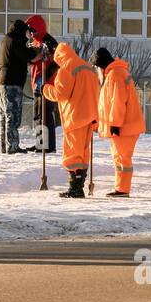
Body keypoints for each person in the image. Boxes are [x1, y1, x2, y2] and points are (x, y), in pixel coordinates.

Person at [41, 42, 99, 198]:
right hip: (90, 116)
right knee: (83, 153)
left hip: (75, 116)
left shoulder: (67, 67)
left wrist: (45, 89)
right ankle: (79, 184)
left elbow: (61, 94)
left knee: (72, 153)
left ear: (59, 56)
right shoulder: (87, 67)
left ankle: (75, 188)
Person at [94, 48, 144, 198]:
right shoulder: (117, 72)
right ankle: (121, 188)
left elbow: (118, 101)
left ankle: (122, 189)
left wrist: (115, 123)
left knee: (122, 158)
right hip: (126, 124)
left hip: (124, 126)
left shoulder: (115, 74)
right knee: (119, 157)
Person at [0, 19, 37, 154]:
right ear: (21, 30)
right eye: (25, 31)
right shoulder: (16, 40)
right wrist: (36, 49)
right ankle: (13, 146)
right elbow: (29, 56)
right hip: (12, 83)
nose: (26, 34)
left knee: (4, 116)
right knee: (13, 116)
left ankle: (4, 146)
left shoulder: (5, 40)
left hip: (2, 82)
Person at [25, 15, 58, 154]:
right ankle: (40, 143)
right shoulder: (36, 42)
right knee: (38, 114)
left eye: (31, 30)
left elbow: (57, 61)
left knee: (46, 113)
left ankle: (48, 145)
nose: (30, 33)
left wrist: (47, 78)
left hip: (46, 83)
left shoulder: (47, 41)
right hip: (38, 82)